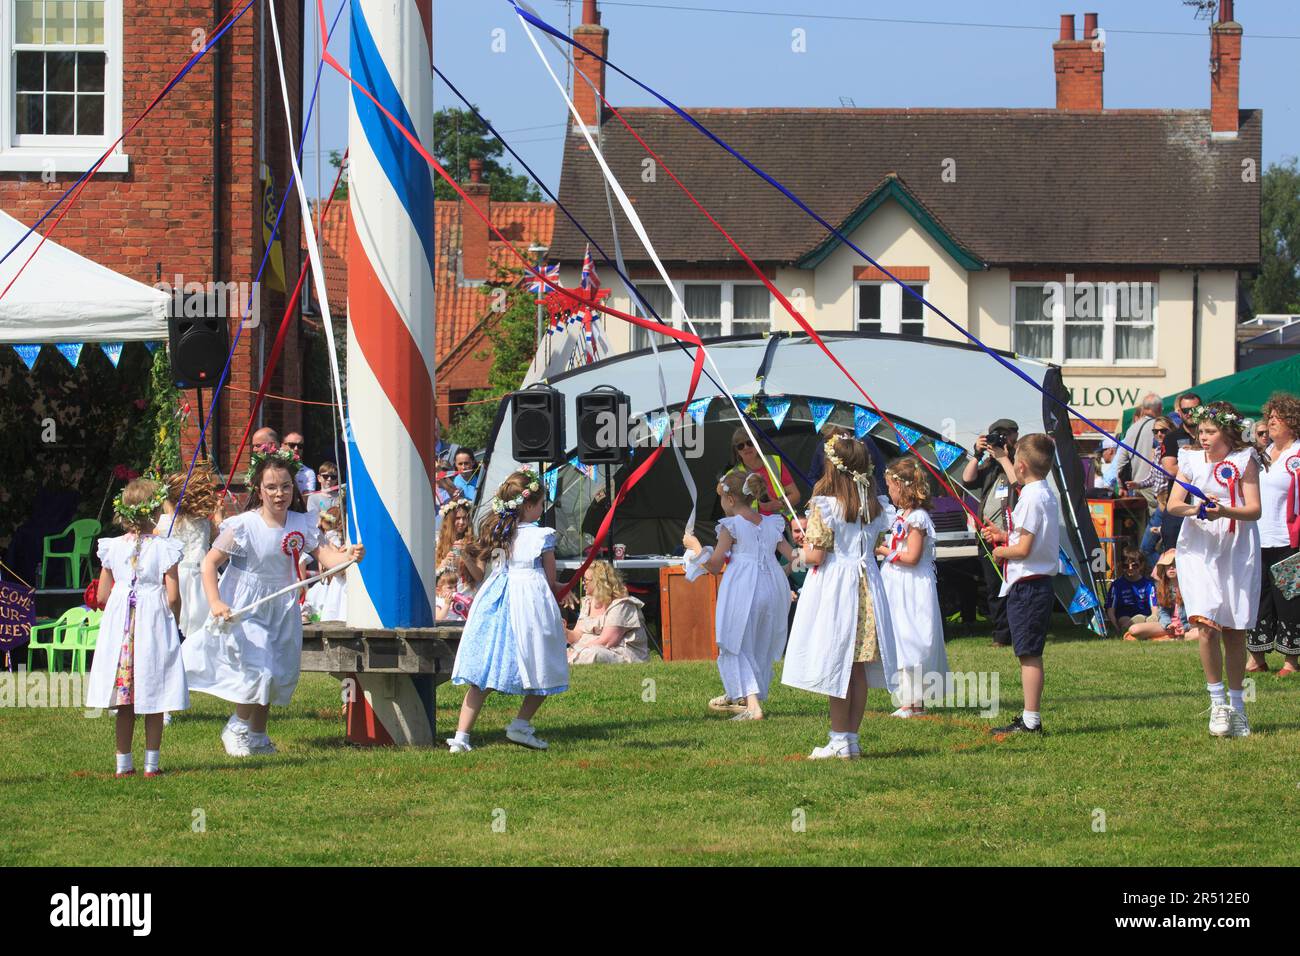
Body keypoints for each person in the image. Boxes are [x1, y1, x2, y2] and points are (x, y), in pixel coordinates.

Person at [182, 450, 365, 756]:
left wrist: (349, 556)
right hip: (246, 606)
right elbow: (209, 564)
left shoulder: (302, 523)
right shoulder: (243, 525)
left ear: (293, 488)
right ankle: (236, 727)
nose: (279, 494)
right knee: (260, 667)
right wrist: (215, 602)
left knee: (277, 671)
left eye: (285, 486)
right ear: (259, 489)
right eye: (271, 487)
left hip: (282, 605)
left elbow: (327, 558)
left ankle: (257, 736)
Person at [782, 435, 898, 759]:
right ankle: (851, 738)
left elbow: (816, 556)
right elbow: (871, 544)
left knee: (839, 665)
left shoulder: (825, 506)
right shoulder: (876, 507)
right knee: (857, 667)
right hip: (867, 586)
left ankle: (838, 738)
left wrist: (803, 547)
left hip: (837, 589)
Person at [447, 471, 570, 752]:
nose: (542, 510)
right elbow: (550, 581)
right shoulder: (543, 536)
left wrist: (466, 553)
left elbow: (483, 572)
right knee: (543, 662)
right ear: (528, 506)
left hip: (495, 601)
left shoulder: (497, 532)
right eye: (540, 505)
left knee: (483, 673)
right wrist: (564, 588)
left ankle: (461, 737)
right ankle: (520, 724)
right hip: (529, 602)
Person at [1165, 401, 1262, 738]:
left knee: (1234, 628)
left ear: (1227, 432)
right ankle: (1217, 702)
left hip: (1235, 548)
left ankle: (1238, 707)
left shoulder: (1244, 460)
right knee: (1206, 623)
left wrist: (1224, 510)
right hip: (1199, 549)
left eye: (1210, 431)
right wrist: (1197, 510)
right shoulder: (1190, 460)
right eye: (1201, 431)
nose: (1203, 437)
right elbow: (1173, 504)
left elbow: (1254, 510)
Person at [86, 478, 187, 778]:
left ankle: (123, 765)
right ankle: (151, 766)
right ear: (155, 512)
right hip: (152, 624)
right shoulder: (165, 549)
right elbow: (173, 595)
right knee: (154, 694)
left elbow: (102, 595)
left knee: (124, 700)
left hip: (122, 629)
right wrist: (176, 621)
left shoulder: (113, 548)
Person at [683, 470, 794, 721]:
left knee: (735, 639)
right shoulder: (771, 523)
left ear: (730, 499)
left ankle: (752, 706)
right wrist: (783, 569)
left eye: (721, 499)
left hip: (743, 587)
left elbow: (713, 565)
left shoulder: (730, 526)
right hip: (772, 588)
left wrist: (695, 548)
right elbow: (794, 557)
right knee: (757, 641)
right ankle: (745, 695)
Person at [981, 433, 1060, 735]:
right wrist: (1004, 537)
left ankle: (1031, 720)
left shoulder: (1030, 498)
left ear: (1023, 466)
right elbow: (1031, 538)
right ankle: (1030, 718)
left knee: (1028, 654)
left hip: (1028, 586)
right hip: (1035, 584)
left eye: (1014, 461)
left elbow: (1024, 549)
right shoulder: (1043, 492)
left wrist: (1001, 550)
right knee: (1028, 653)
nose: (1012, 466)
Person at [877, 456, 948, 717]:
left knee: (912, 637)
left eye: (890, 487)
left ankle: (914, 700)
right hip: (896, 582)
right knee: (898, 636)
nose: (889, 492)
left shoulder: (917, 517)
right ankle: (909, 699)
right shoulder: (901, 515)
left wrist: (883, 549)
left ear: (901, 486)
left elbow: (912, 556)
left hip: (912, 584)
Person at [1247, 392, 1300, 675]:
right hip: (1258, 537)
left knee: (1289, 599)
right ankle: (1257, 657)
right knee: (1259, 598)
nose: (1272, 423)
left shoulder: (1298, 454)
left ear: (1293, 422)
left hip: (1288, 539)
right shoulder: (1262, 454)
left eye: (1278, 418)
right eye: (1270, 417)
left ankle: (1292, 661)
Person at [962, 418, 1020, 648]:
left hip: (1010, 536)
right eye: (996, 435)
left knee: (1013, 585)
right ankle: (1001, 635)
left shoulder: (1018, 461)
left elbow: (1018, 483)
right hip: (987, 536)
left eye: (1006, 434)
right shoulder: (991, 466)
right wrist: (977, 454)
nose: (1001, 439)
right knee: (994, 587)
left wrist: (1004, 456)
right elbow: (967, 479)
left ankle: (1014, 631)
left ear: (1015, 435)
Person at [161, 463, 221, 638]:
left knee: (179, 622)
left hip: (174, 577)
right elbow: (216, 540)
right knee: (199, 622)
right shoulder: (203, 522)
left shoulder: (164, 523)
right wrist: (218, 518)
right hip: (200, 577)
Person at [565, 561, 652, 664]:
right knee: (555, 651)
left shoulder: (622, 605)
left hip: (619, 652)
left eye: (586, 580)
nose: (583, 583)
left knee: (594, 653)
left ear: (598, 581)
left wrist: (576, 651)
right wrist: (562, 630)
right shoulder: (588, 602)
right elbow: (576, 635)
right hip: (588, 648)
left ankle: (570, 659)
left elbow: (607, 641)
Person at [726, 426, 800, 518]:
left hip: (782, 522)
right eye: (740, 446)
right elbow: (729, 511)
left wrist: (780, 504)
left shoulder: (775, 461)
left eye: (750, 443)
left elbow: (796, 495)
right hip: (752, 525)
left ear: (757, 444)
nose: (746, 447)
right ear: (736, 451)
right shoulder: (732, 475)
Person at [1110, 393, 1165, 513]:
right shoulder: (1160, 428)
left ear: (1144, 408)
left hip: (1135, 486)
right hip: (1153, 487)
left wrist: (1121, 486)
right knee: (1156, 525)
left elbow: (1121, 459)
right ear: (1159, 408)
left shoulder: (1132, 428)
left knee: (1141, 526)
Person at [1125, 549, 1186, 641]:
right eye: (1168, 565)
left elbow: (1197, 615)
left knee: (1201, 633)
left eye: (1175, 565)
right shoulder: (1162, 587)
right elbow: (1162, 612)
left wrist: (1185, 627)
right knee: (1133, 629)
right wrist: (1168, 625)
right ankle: (1171, 636)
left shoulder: (1189, 588)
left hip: (1186, 626)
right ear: (1164, 569)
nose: (1171, 568)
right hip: (1169, 625)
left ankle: (1173, 637)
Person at [305, 505, 348, 623]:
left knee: (336, 607)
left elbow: (327, 563)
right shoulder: (332, 539)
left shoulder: (330, 539)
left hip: (338, 579)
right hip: (337, 579)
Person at [436, 498, 485, 599]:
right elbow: (430, 577)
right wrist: (443, 564)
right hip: (444, 600)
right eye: (457, 518)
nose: (462, 522)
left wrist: (465, 556)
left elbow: (480, 577)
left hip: (467, 598)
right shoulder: (437, 542)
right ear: (449, 521)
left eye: (465, 518)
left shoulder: (476, 543)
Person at [1106, 547, 1159, 639]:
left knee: (1153, 618)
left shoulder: (1148, 584)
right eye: (1126, 566)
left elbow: (1154, 606)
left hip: (1146, 616)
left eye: (1134, 565)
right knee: (1125, 620)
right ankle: (1134, 629)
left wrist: (1154, 616)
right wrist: (1116, 627)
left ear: (1141, 565)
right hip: (1124, 616)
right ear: (1122, 566)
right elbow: (1110, 609)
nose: (1130, 568)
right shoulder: (1116, 585)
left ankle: (1142, 628)